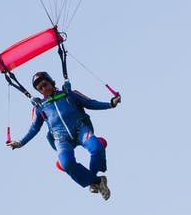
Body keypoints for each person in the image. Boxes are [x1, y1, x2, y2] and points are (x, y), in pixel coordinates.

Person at [8, 71, 121, 200]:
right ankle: (96, 181)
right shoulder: (40, 107)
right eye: (40, 88)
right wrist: (20, 142)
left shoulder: (68, 94)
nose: (44, 89)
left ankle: (95, 179)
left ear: (51, 82)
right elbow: (34, 128)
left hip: (80, 130)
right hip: (61, 139)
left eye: (45, 84)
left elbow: (90, 103)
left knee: (97, 148)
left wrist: (110, 104)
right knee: (67, 164)